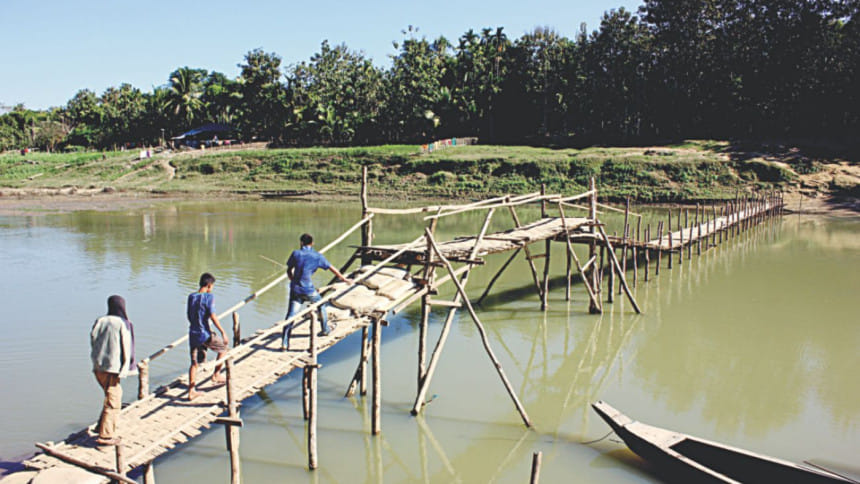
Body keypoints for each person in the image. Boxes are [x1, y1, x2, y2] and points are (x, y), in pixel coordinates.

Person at [282, 233, 352, 350]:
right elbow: (331, 268)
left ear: (301, 243)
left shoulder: (296, 254)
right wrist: (344, 279)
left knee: (290, 316)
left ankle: (284, 343)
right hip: (308, 290)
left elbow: (289, 270)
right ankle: (325, 329)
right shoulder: (317, 256)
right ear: (312, 243)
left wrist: (292, 279)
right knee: (321, 305)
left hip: (295, 289)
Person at [90, 295, 135, 446]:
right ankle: (106, 437)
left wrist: (96, 360)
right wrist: (127, 368)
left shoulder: (100, 321)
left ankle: (100, 426)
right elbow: (127, 346)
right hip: (113, 368)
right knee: (114, 401)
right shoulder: (123, 323)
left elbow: (93, 340)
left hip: (98, 367)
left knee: (109, 395)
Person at [187, 272, 229, 400]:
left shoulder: (191, 296)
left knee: (194, 364)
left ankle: (191, 391)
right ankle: (216, 374)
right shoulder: (209, 297)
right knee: (223, 349)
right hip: (204, 333)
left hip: (193, 333)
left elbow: (189, 315)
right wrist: (223, 332)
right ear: (209, 285)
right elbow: (212, 315)